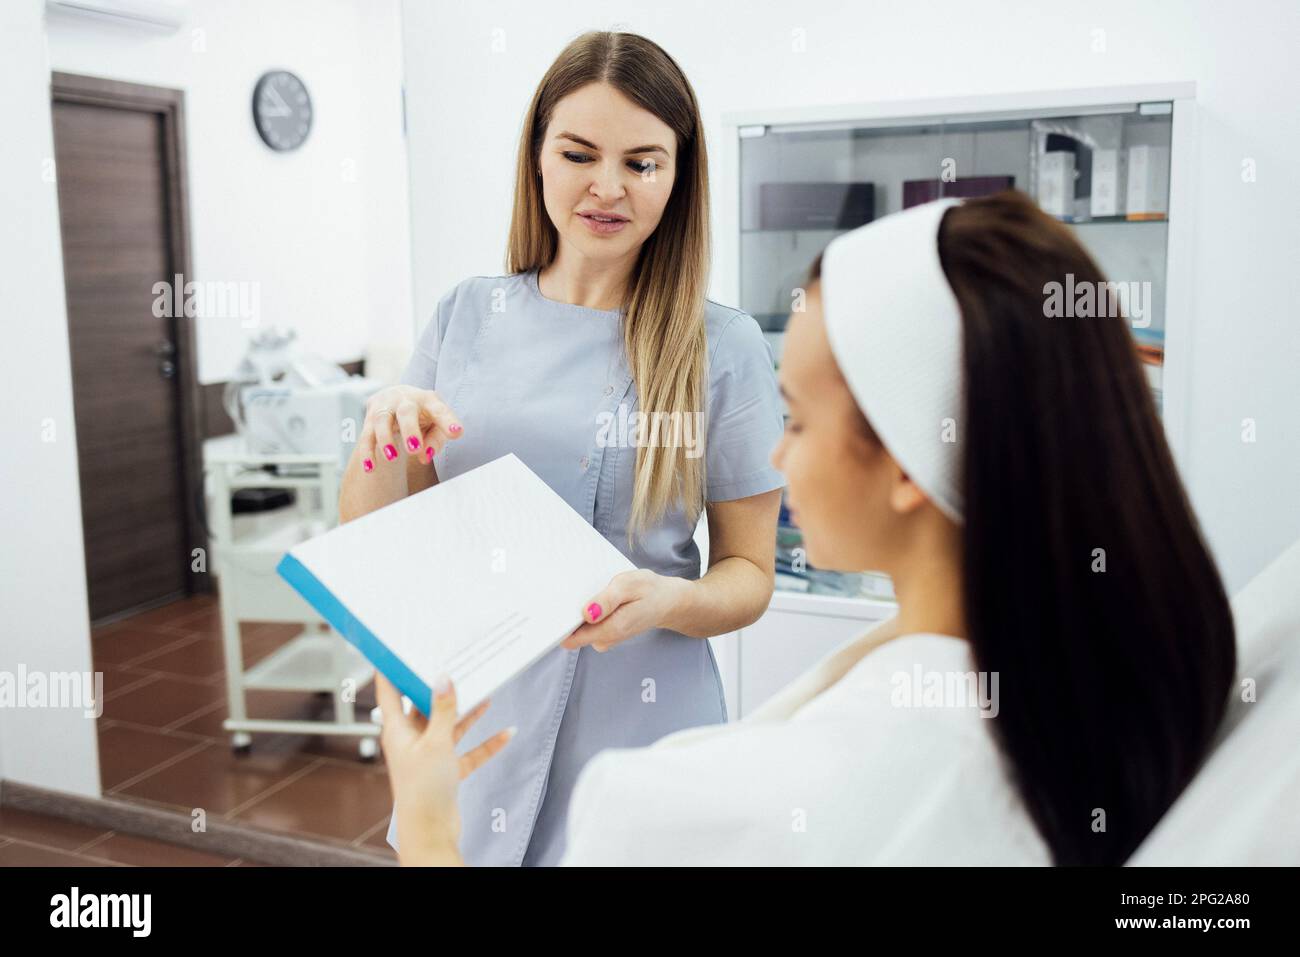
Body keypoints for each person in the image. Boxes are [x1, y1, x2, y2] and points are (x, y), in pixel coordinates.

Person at [375, 192, 1237, 866]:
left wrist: (427, 830)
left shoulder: (679, 803)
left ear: (906, 460)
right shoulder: (1108, 675)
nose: (777, 457)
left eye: (796, 417)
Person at [337, 31, 785, 866]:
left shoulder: (723, 348)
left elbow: (750, 576)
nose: (607, 187)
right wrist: (380, 430)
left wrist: (667, 601)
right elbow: (378, 545)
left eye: (644, 163)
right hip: (477, 720)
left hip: (640, 728)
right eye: (578, 153)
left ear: (678, 177)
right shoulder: (467, 314)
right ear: (537, 156)